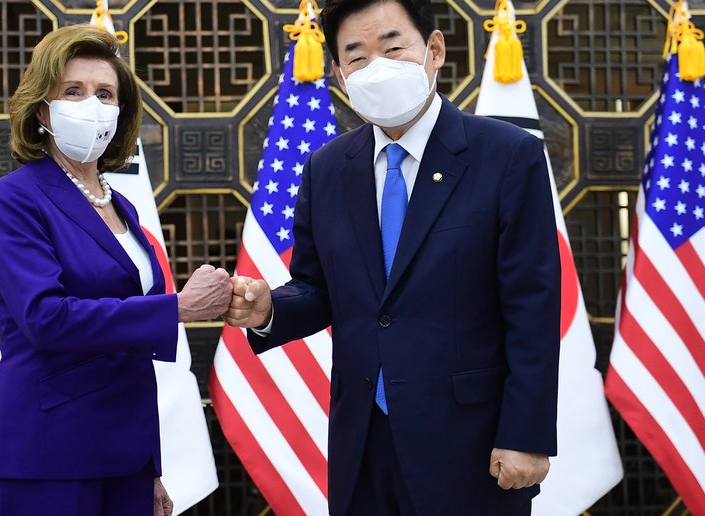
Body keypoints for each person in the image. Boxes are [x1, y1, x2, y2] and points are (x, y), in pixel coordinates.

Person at [224, 0, 560, 513]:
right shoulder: (328, 168)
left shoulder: (507, 155)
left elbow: (532, 306)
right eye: (356, 57)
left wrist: (527, 435)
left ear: (434, 49)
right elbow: (318, 288)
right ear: (337, 73)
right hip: (363, 441)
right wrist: (270, 309)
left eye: (393, 46)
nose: (376, 67)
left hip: (472, 444)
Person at [0, 24, 232, 515]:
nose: (91, 104)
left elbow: (128, 349)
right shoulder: (17, 197)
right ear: (41, 108)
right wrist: (176, 307)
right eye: (74, 91)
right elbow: (45, 318)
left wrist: (150, 465)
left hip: (126, 456)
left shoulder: (123, 209)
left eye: (105, 93)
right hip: (49, 452)